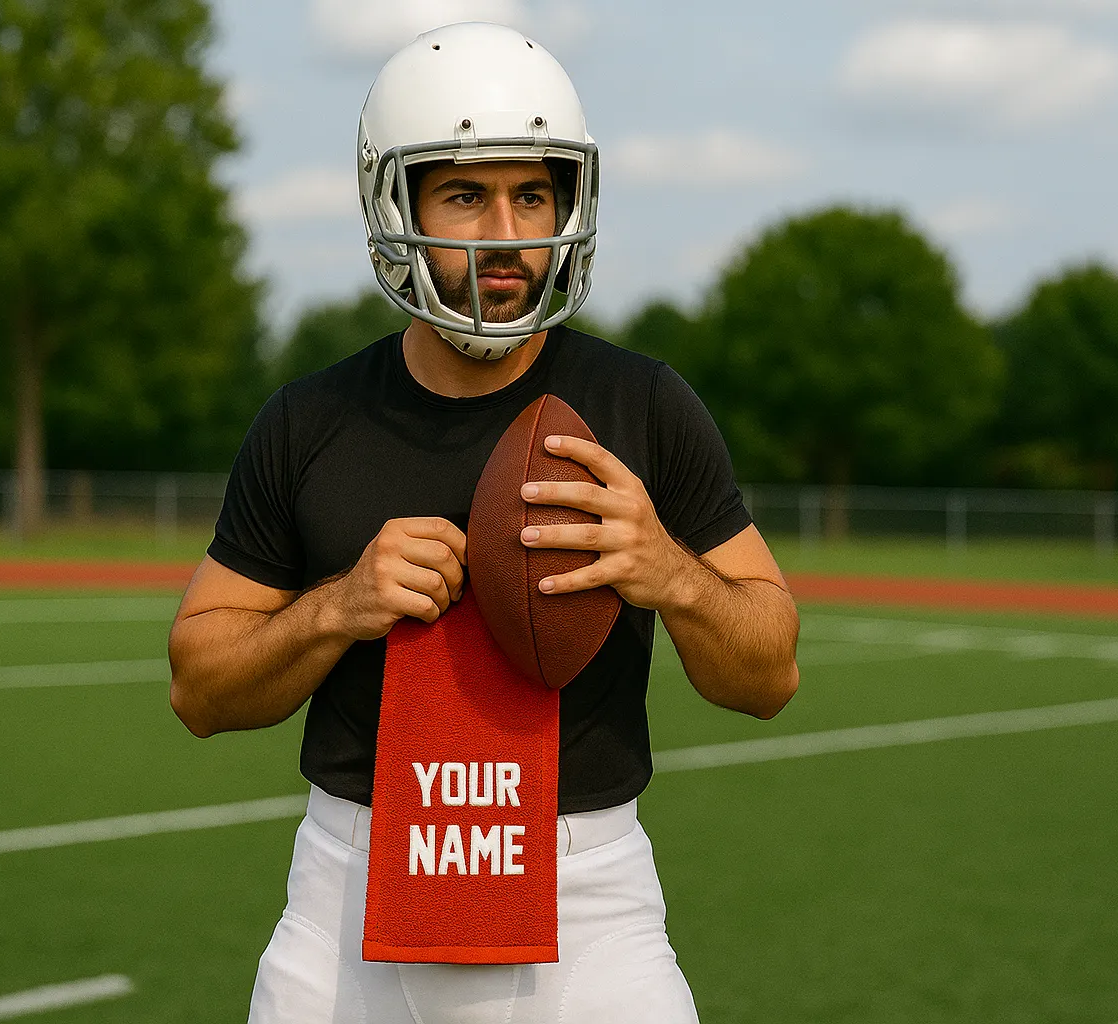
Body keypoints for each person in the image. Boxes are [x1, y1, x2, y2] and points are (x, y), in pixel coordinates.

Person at [166, 21, 800, 1024]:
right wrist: (337, 607)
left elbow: (771, 675)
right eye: (466, 193)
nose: (507, 230)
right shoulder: (311, 419)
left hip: (582, 889)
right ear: (397, 201)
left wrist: (668, 571)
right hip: (351, 891)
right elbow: (199, 687)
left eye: (533, 193)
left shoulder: (641, 403)